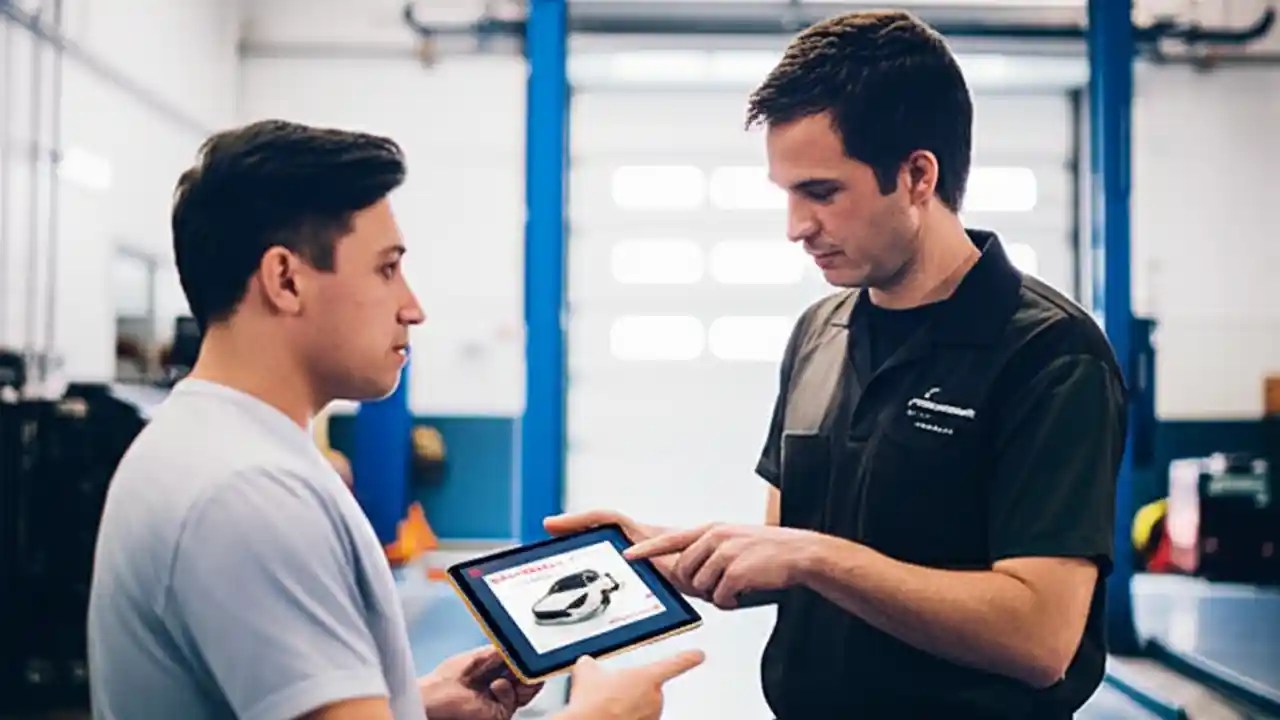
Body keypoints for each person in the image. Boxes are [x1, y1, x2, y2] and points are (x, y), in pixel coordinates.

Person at [546, 10, 1127, 720]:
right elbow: (789, 558)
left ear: (917, 176)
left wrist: (814, 556)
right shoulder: (819, 333)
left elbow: (1040, 639)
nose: (795, 227)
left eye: (821, 193)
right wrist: (679, 559)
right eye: (787, 194)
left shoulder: (1050, 356)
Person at [86, 119, 703, 720]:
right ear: (285, 280)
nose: (413, 308)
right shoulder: (247, 494)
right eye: (387, 268)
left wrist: (407, 704)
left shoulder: (201, 444)